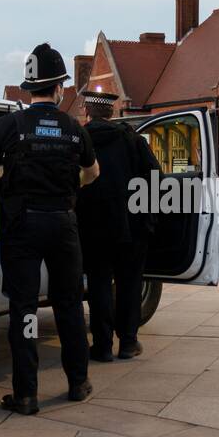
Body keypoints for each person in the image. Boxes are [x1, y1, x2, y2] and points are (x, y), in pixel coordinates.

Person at [0, 43, 99, 416]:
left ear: (29, 88)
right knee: (68, 306)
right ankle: (78, 383)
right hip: (62, 223)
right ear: (60, 87)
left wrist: (5, 174)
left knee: (25, 310)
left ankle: (26, 394)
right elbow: (93, 174)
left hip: (23, 226)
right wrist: (66, 186)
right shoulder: (74, 128)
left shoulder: (7, 126)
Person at [77, 91, 161, 362]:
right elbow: (155, 176)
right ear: (112, 112)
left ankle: (101, 345)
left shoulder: (78, 139)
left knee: (99, 284)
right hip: (130, 226)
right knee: (129, 283)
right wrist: (147, 216)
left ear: (87, 112)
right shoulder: (131, 139)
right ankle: (128, 342)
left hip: (92, 225)